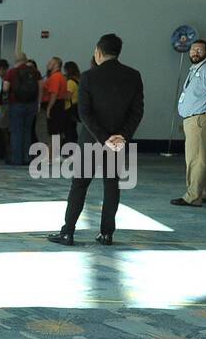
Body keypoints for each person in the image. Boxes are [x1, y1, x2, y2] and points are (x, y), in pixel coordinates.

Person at [49, 33, 144, 247]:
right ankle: (107, 234)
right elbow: (137, 111)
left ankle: (68, 232)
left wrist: (104, 138)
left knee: (79, 185)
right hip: (119, 143)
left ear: (98, 52)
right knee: (111, 186)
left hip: (91, 141)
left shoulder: (88, 77)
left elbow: (85, 113)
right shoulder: (133, 76)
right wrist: (122, 136)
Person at [173, 38, 206, 207]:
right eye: (193, 49)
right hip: (193, 119)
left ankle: (192, 197)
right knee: (201, 157)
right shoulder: (196, 68)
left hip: (200, 119)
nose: (195, 52)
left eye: (199, 50)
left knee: (195, 159)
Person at [6, 54, 40, 166]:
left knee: (16, 132)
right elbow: (41, 86)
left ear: (16, 60)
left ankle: (17, 159)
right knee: (27, 131)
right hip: (31, 105)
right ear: (25, 60)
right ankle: (26, 158)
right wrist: (38, 103)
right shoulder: (35, 71)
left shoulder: (12, 72)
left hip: (16, 104)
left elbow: (5, 87)